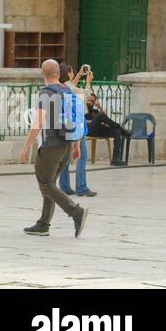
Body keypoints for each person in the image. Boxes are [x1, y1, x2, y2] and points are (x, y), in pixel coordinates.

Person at [19, 60, 89, 238]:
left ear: (43, 74)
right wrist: (76, 146)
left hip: (51, 146)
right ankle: (43, 224)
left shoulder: (45, 93)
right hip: (67, 145)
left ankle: (76, 212)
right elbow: (76, 119)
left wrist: (26, 147)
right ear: (58, 73)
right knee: (50, 184)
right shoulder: (67, 90)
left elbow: (37, 124)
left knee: (46, 184)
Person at [57, 63, 94, 198]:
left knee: (65, 157)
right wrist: (88, 82)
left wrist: (79, 75)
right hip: (77, 124)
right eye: (72, 71)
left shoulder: (61, 86)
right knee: (81, 156)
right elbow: (86, 96)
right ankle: (81, 187)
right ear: (68, 73)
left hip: (64, 124)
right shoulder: (70, 88)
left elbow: (71, 86)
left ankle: (64, 186)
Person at [85, 91, 128, 166]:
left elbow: (104, 120)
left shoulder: (95, 111)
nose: (90, 102)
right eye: (89, 100)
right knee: (101, 115)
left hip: (99, 130)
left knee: (117, 131)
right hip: (89, 130)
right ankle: (120, 127)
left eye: (92, 101)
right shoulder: (83, 109)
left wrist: (99, 107)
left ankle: (115, 159)